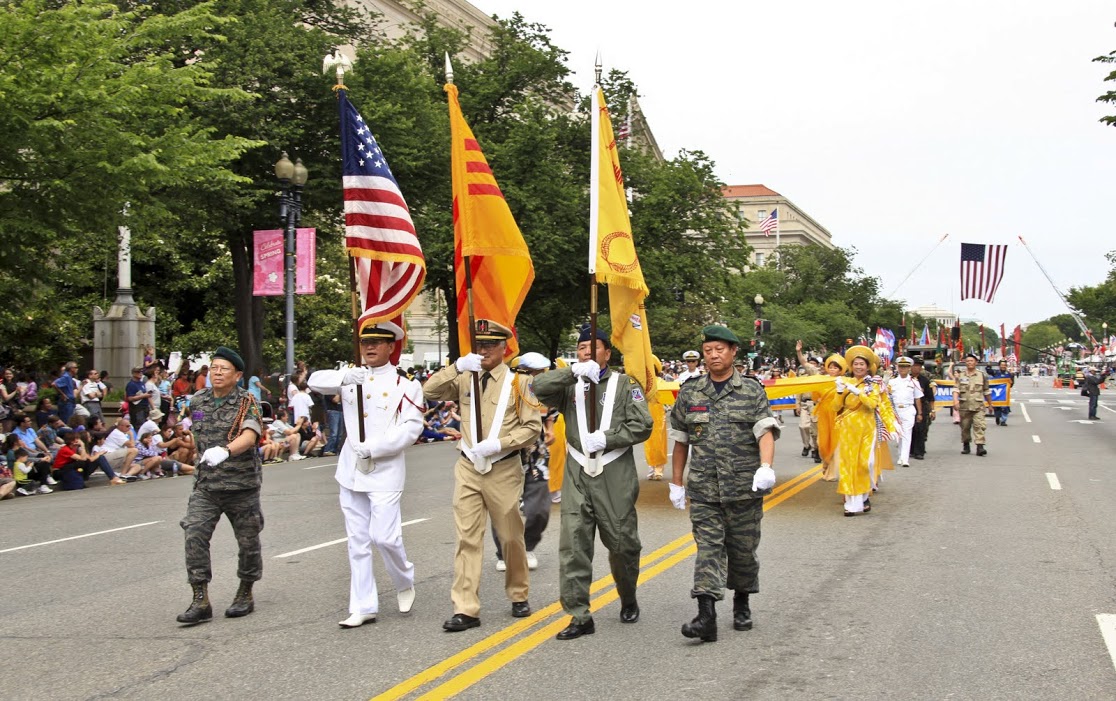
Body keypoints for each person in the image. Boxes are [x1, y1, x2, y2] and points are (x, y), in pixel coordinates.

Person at [532, 327, 653, 641]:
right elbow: (538, 388)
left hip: (614, 472)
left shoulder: (625, 385)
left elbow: (643, 425)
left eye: (593, 347)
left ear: (607, 353)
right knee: (573, 545)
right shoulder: (569, 385)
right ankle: (579, 614)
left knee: (623, 544)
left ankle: (627, 595)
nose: (586, 352)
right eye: (581, 347)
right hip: (577, 471)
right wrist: (572, 372)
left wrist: (609, 438)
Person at [422, 319, 542, 633]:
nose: (484, 350)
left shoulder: (520, 383)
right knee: (467, 539)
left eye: (491, 344)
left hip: (503, 467)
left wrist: (500, 443)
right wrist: (456, 367)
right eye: (480, 344)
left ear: (505, 348)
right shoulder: (464, 377)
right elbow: (429, 390)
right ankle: (466, 609)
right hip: (468, 467)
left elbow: (532, 429)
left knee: (511, 536)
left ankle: (518, 593)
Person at [308, 320, 425, 628]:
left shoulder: (406, 383)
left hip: (384, 467)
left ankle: (404, 578)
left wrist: (376, 447)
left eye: (377, 342)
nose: (369, 347)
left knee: (384, 538)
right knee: (357, 540)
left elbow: (412, 428)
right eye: (365, 342)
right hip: (351, 469)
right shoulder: (351, 376)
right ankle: (363, 605)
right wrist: (344, 375)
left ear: (391, 346)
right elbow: (314, 381)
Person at [667, 325, 779, 643]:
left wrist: (766, 467)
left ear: (733, 352)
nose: (713, 355)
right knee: (708, 549)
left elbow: (765, 430)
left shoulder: (752, 390)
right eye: (708, 350)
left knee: (742, 552)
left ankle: (741, 600)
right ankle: (706, 616)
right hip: (704, 488)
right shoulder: (690, 392)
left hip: (745, 488)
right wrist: (677, 483)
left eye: (720, 349)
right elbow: (680, 440)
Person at [177, 346, 265, 624]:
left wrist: (226, 451)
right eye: (213, 367)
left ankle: (245, 592)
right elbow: (196, 433)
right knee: (194, 535)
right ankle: (200, 598)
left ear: (237, 375)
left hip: (241, 485)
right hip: (207, 485)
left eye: (223, 368)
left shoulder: (247, 402)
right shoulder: (198, 400)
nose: (217, 372)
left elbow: (250, 436)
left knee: (248, 542)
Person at [492, 352, 555, 572]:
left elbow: (549, 415)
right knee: (504, 508)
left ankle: (527, 547)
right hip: (506, 458)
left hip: (536, 459)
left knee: (539, 510)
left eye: (539, 373)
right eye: (530, 372)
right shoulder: (503, 392)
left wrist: (550, 430)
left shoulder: (542, 393)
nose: (535, 376)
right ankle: (504, 552)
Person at [829, 346, 890, 516]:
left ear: (868, 366)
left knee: (866, 463)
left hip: (867, 428)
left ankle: (863, 495)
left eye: (862, 364)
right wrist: (840, 392)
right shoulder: (844, 381)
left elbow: (872, 404)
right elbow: (835, 407)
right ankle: (851, 505)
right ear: (851, 366)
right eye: (855, 364)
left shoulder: (874, 383)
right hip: (848, 428)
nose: (858, 367)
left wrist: (857, 391)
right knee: (848, 465)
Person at [887, 357, 924, 467]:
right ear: (897, 367)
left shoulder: (914, 382)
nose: (903, 369)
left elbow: (918, 398)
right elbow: (887, 397)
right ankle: (900, 455)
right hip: (895, 410)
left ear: (909, 368)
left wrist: (920, 413)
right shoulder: (891, 382)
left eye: (905, 367)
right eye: (901, 366)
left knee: (907, 434)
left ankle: (905, 459)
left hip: (908, 409)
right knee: (899, 435)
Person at [953, 353, 992, 456]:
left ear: (976, 363)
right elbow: (956, 389)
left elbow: (986, 391)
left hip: (978, 406)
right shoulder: (961, 375)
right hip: (964, 406)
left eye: (971, 361)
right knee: (965, 427)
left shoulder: (982, 375)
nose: (969, 363)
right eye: (968, 361)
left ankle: (980, 446)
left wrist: (990, 405)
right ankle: (966, 445)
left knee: (979, 425)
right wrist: (955, 401)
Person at [910, 358, 935, 460]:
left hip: (922, 407)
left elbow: (930, 397)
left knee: (920, 429)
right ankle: (911, 449)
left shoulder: (924, 380)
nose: (916, 368)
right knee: (910, 429)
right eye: (914, 365)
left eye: (918, 366)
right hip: (909, 406)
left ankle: (919, 452)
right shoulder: (905, 379)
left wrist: (932, 410)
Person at [988, 359, 1014, 426]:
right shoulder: (996, 372)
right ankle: (997, 417)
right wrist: (989, 364)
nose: (1003, 366)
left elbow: (1011, 384)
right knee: (997, 407)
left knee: (1005, 408)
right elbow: (988, 371)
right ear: (999, 366)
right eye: (1002, 365)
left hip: (1004, 394)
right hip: (997, 393)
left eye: (1004, 365)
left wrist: (1011, 383)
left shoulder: (1009, 374)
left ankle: (1003, 421)